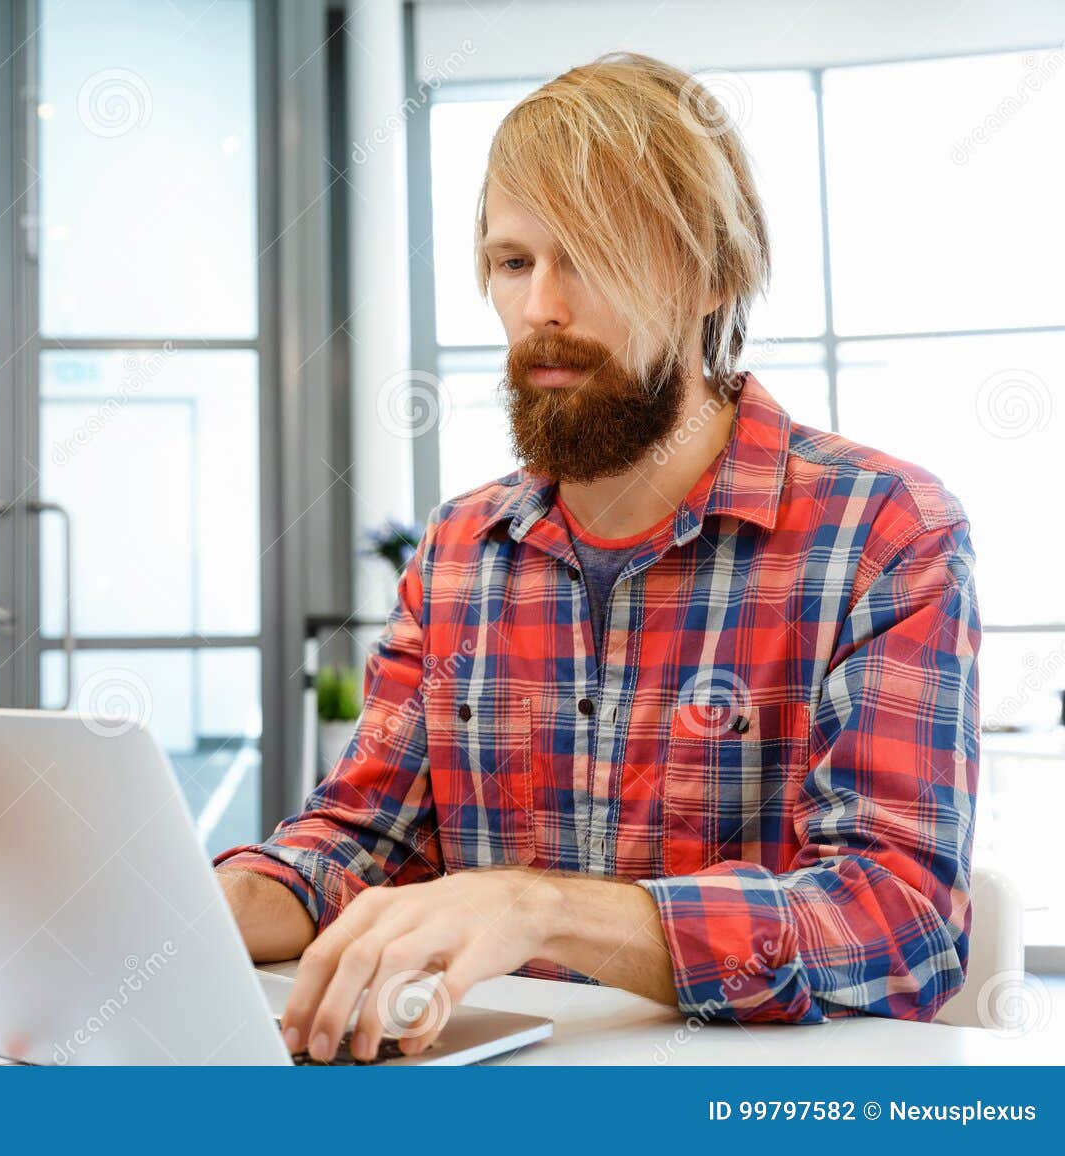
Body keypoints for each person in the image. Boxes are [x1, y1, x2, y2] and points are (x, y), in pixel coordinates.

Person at [216, 52, 979, 1061]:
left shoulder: (882, 530)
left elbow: (899, 921)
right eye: (513, 260)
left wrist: (540, 910)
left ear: (714, 275)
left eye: (591, 257)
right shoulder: (457, 553)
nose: (541, 309)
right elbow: (357, 844)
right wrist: (177, 913)